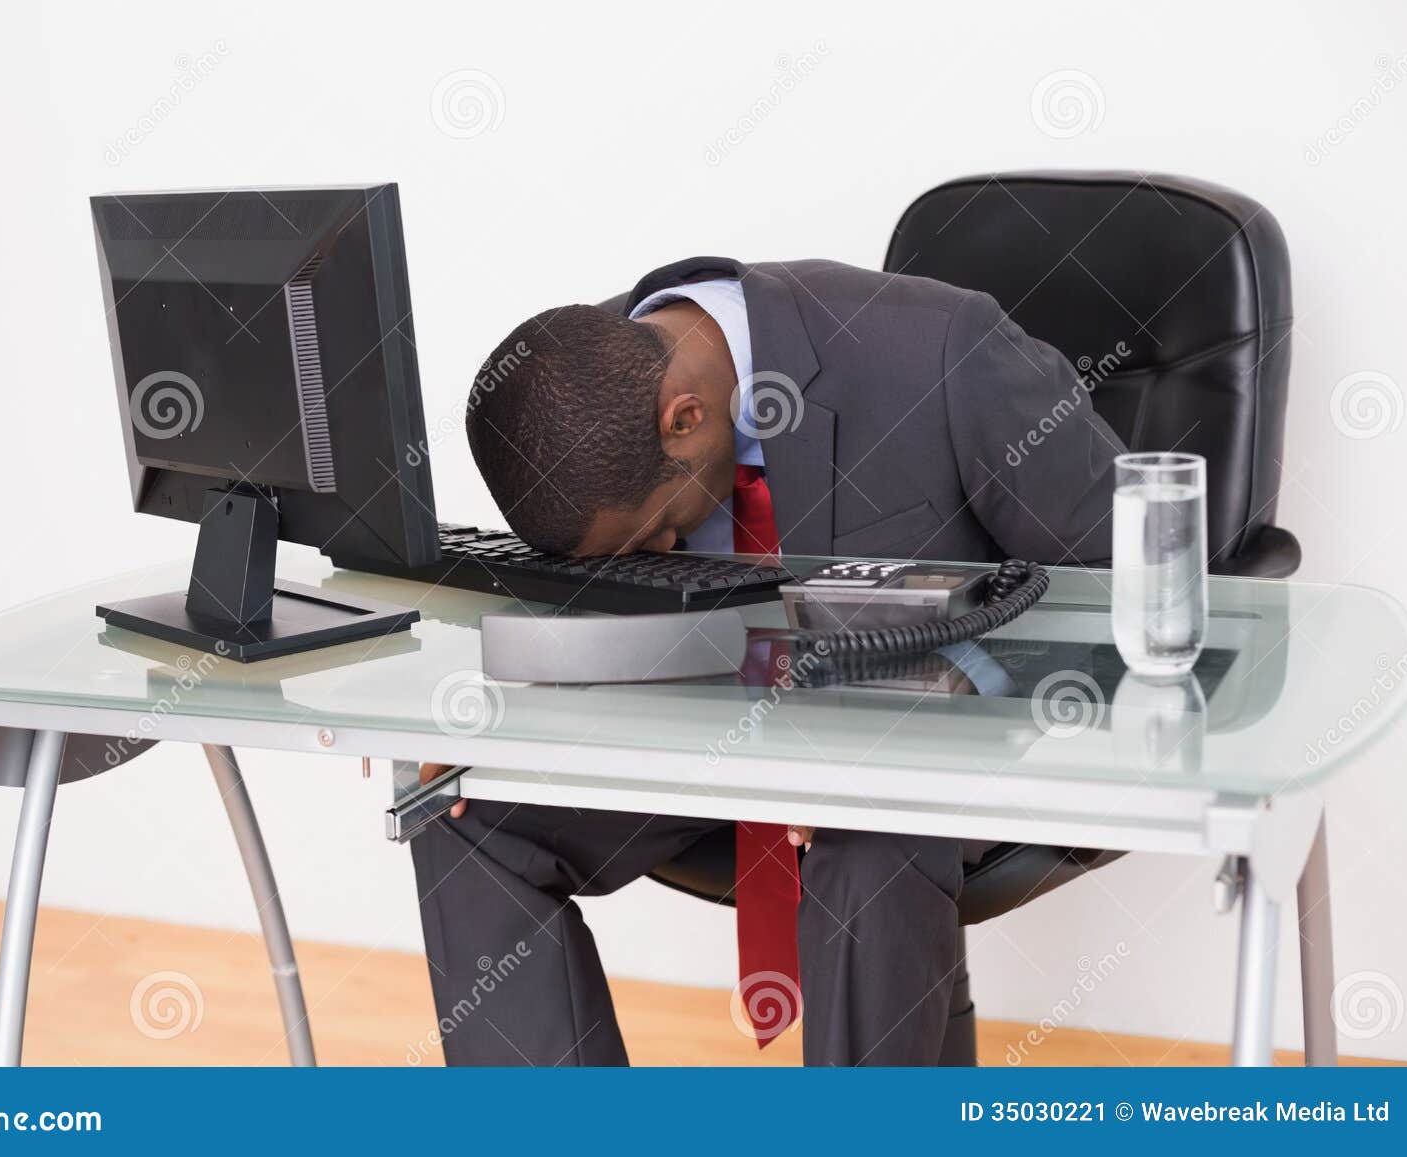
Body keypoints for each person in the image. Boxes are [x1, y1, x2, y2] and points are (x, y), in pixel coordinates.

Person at [411, 256, 1125, 1066]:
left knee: (869, 839)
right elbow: (569, 601)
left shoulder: (942, 352)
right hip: (701, 729)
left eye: (656, 533)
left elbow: (1130, 593)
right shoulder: (571, 379)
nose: (664, 552)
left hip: (915, 745)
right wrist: (500, 715)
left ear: (684, 418)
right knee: (461, 811)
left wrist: (938, 704)